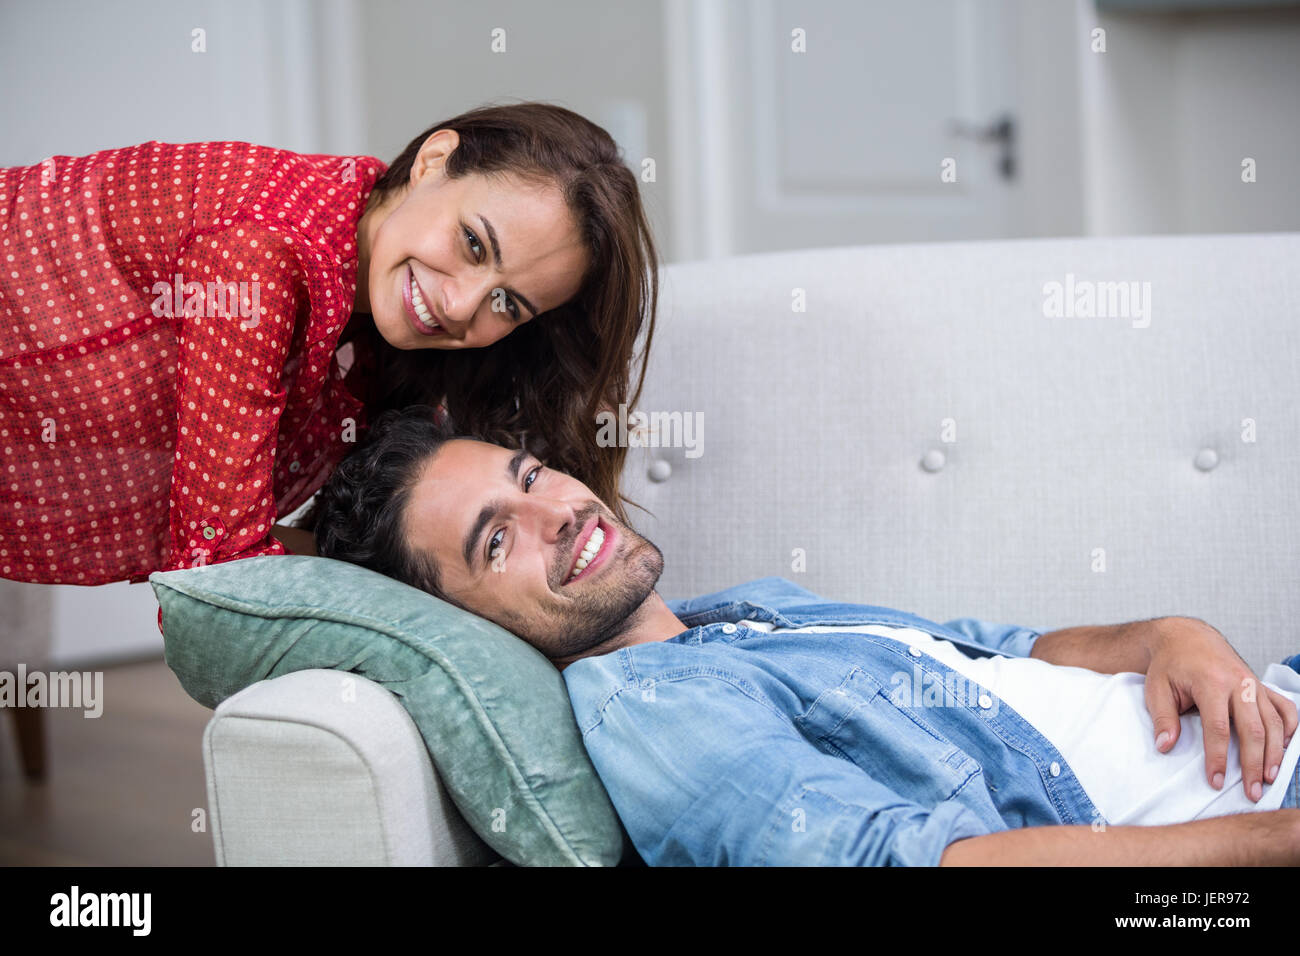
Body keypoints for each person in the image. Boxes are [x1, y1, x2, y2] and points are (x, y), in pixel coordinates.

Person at [309, 406, 1300, 866]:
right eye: (496, 537)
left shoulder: (737, 615)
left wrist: (1172, 633)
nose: (556, 512)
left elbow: (1004, 646)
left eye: (526, 477)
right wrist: (1272, 842)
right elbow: (902, 864)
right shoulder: (652, 712)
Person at [0, 103, 659, 634]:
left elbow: (368, 523)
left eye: (507, 302)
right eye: (472, 242)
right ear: (434, 161)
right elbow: (216, 582)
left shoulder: (372, 315)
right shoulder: (258, 259)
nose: (461, 305)